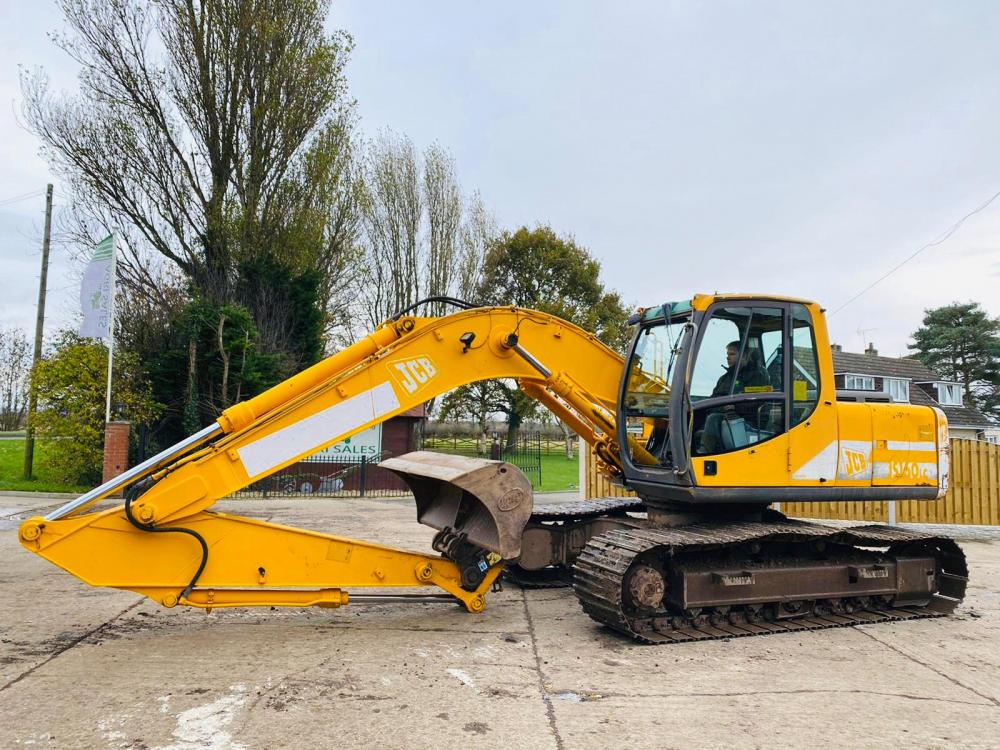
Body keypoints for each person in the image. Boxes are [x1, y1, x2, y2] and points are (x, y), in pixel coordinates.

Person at [699, 340, 770, 454]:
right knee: (694, 413)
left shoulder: (757, 376)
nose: (728, 358)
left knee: (713, 418)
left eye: (732, 354)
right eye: (727, 354)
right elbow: (712, 399)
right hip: (725, 415)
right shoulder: (725, 378)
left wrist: (734, 407)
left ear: (745, 356)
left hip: (749, 419)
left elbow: (757, 401)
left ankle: (704, 452)